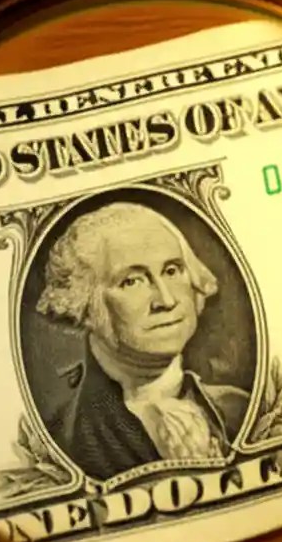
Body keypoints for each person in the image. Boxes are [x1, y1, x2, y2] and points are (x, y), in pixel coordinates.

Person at [34, 201, 249, 481]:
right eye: (132, 281)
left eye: (172, 271)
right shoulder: (62, 444)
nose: (167, 300)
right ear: (83, 304)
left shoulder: (237, 408)